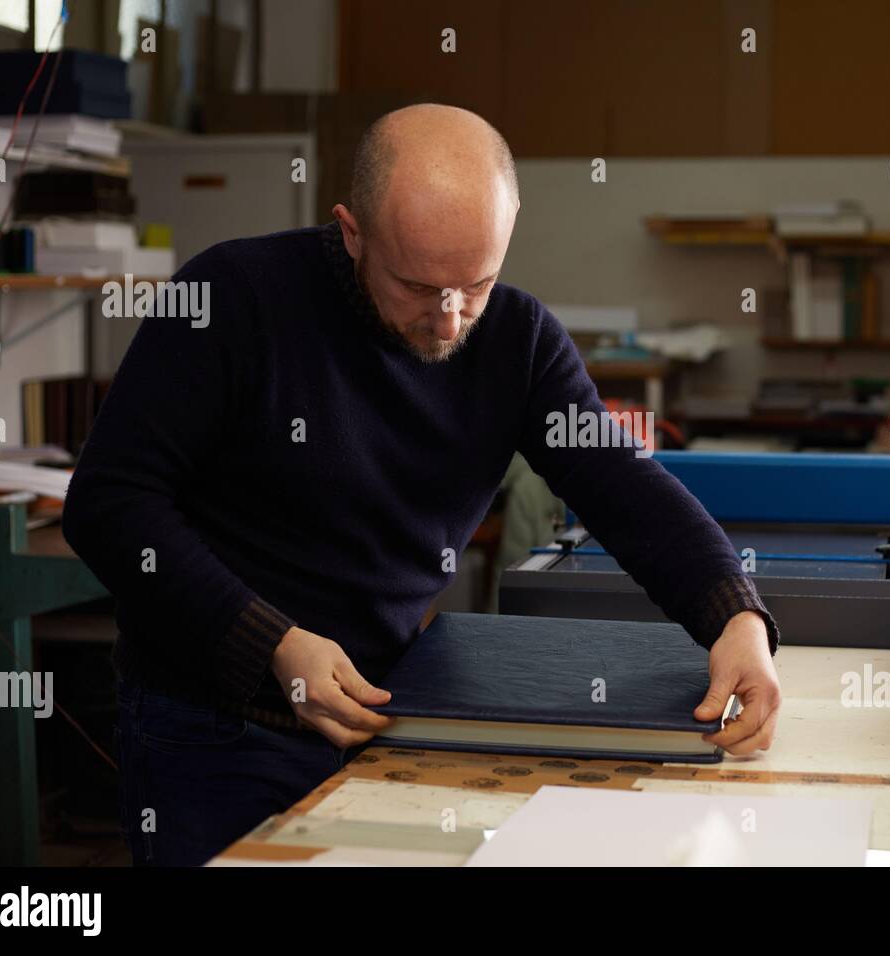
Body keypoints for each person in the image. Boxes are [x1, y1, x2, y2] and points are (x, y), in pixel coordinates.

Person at [63, 104, 782, 866]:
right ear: (351, 232)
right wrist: (271, 643)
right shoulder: (231, 297)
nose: (447, 323)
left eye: (476, 284)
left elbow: (626, 489)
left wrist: (734, 615)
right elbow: (110, 504)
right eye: (416, 286)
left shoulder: (518, 341)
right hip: (215, 726)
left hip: (390, 716)